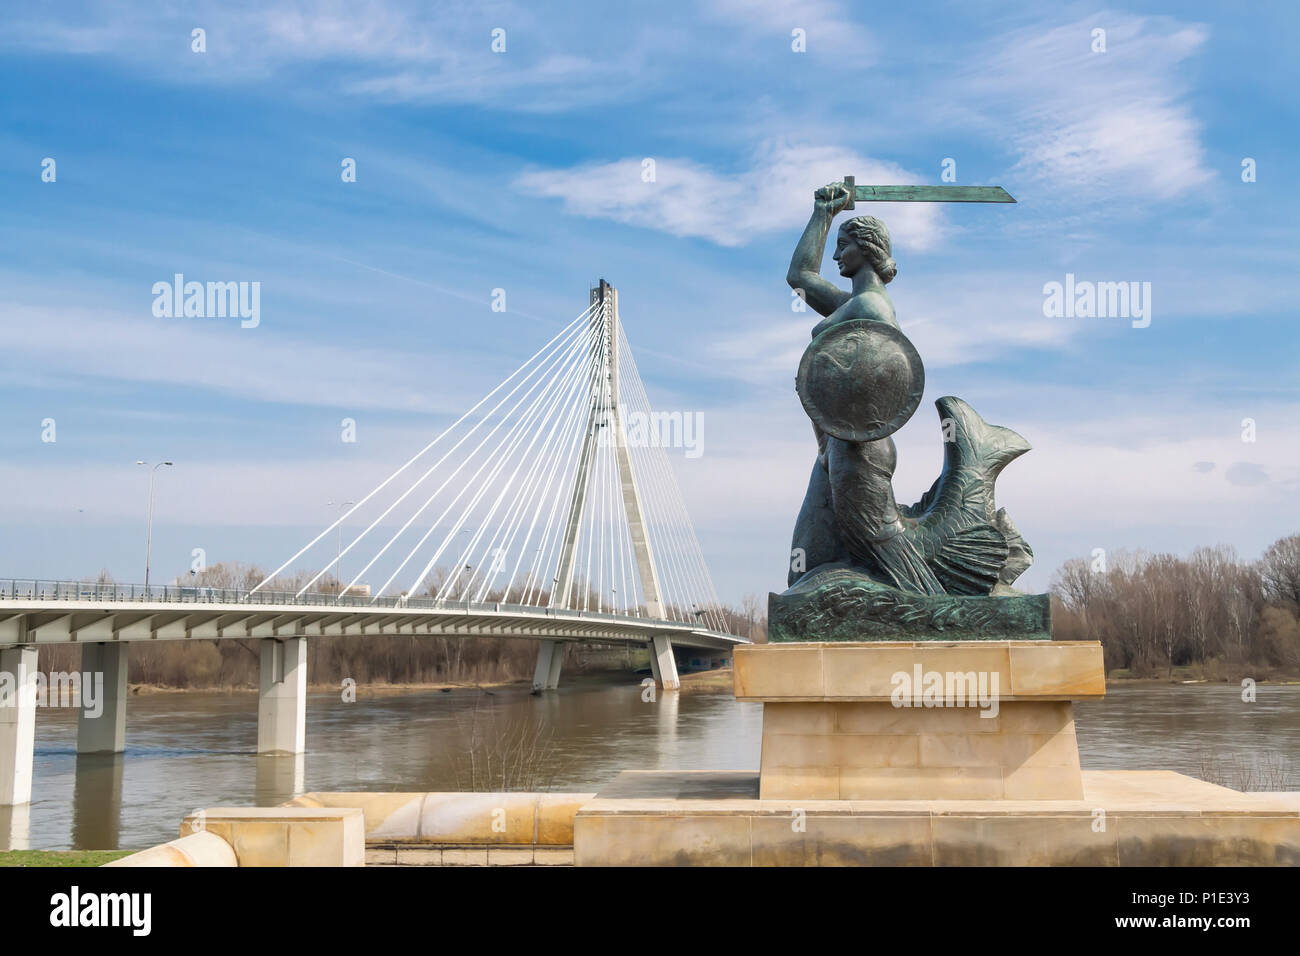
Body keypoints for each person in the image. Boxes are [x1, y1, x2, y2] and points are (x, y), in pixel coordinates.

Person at [785, 182, 944, 594]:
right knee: (806, 562)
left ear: (867, 248)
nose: (836, 255)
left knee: (877, 549)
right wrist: (824, 213)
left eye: (843, 246)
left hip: (858, 449)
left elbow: (880, 378)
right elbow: (799, 277)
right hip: (835, 446)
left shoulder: (871, 308)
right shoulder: (851, 304)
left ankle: (934, 602)